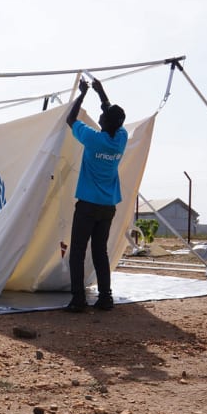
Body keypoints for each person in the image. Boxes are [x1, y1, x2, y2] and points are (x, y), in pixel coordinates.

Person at [64, 77, 128, 312]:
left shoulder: (93, 138)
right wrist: (101, 93)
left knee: (78, 252)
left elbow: (70, 119)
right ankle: (105, 297)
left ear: (104, 122)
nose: (99, 116)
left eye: (102, 116)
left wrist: (82, 94)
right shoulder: (121, 139)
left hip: (88, 205)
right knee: (100, 252)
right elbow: (111, 116)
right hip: (107, 206)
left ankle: (78, 299)